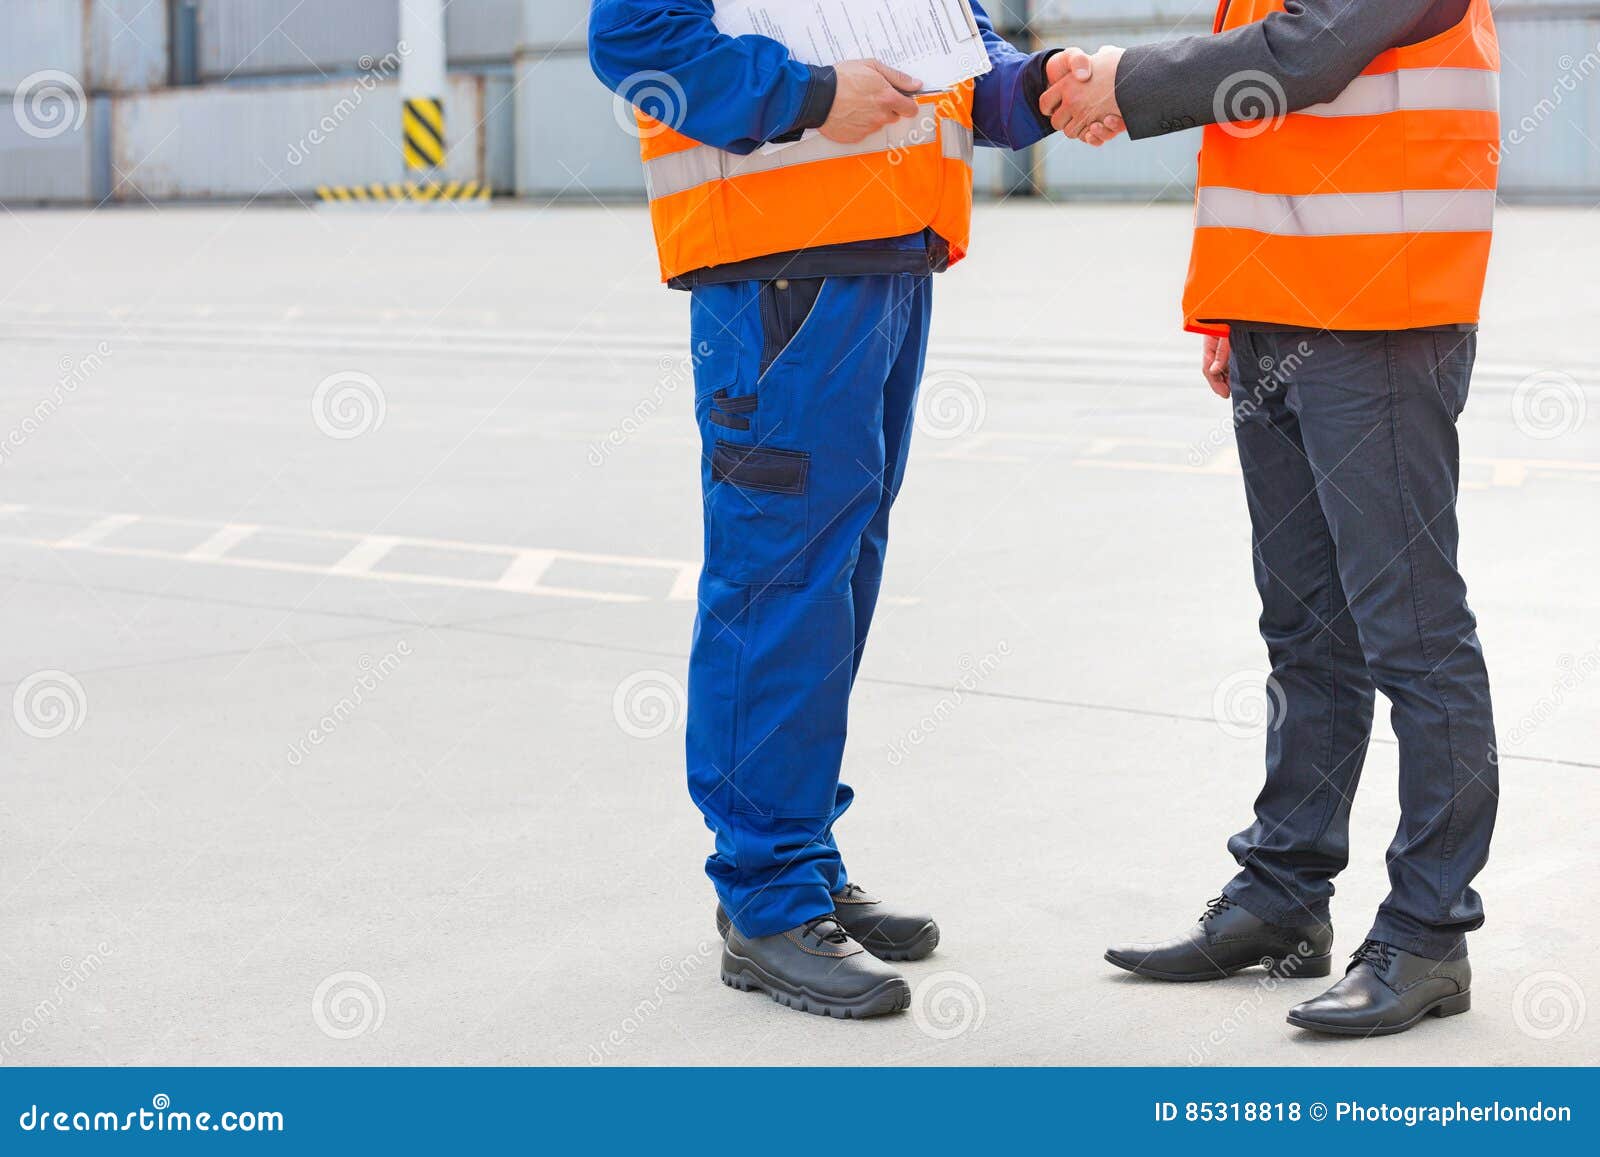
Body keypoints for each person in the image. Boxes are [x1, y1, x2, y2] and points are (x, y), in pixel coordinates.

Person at [589, 1, 1111, 1019]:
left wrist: (1029, 87)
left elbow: (956, 57)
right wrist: (814, 98)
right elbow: (637, 43)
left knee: (836, 575)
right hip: (779, 268)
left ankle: (799, 854)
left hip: (887, 261)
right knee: (778, 576)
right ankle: (765, 895)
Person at [1042, 0, 1500, 1037]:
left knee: (1413, 633)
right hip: (1277, 311)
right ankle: (1282, 895)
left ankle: (1429, 931)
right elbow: (1261, 128)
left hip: (1378, 315)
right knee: (1304, 626)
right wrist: (1229, 306)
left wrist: (1123, 81)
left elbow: (1306, 56)